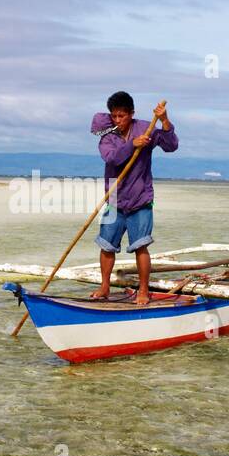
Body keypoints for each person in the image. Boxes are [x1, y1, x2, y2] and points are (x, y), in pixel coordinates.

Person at [88, 91, 178, 305]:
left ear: (131, 114)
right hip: (115, 200)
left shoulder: (146, 128)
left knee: (141, 246)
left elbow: (171, 145)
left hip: (141, 200)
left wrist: (165, 121)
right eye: (114, 116)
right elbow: (113, 158)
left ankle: (144, 290)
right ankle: (105, 287)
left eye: (122, 116)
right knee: (107, 246)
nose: (118, 121)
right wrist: (133, 145)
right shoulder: (108, 136)